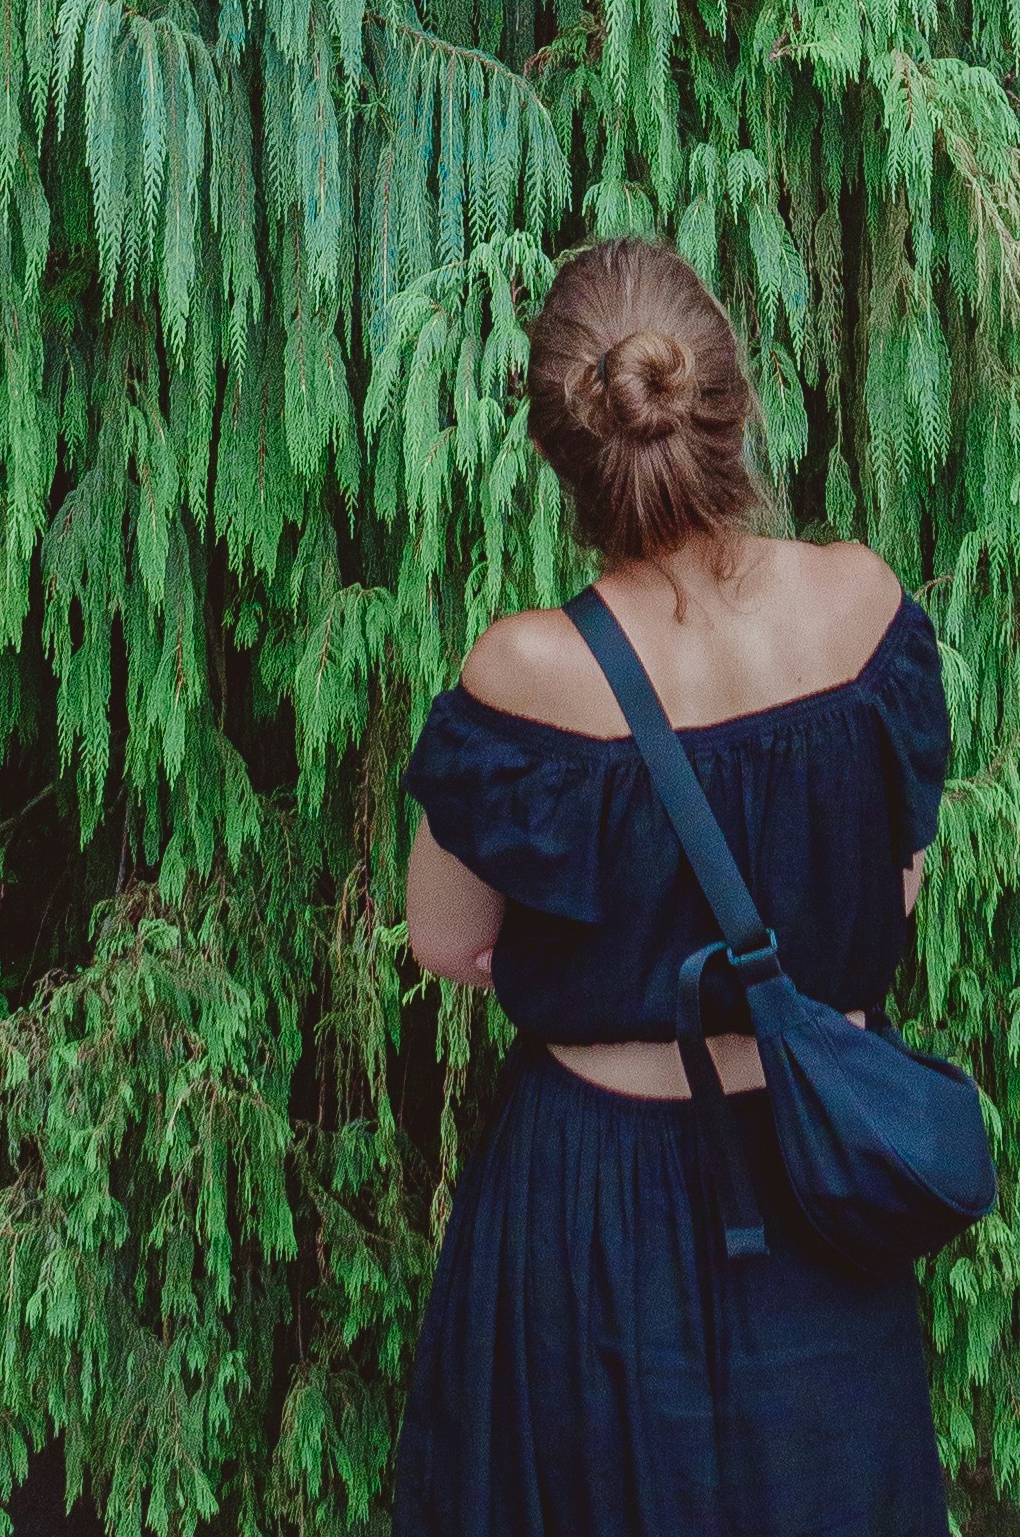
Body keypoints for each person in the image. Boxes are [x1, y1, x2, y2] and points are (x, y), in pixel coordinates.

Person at [389, 234, 956, 1537]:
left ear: (559, 452)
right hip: (823, 1171)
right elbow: (901, 879)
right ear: (733, 398)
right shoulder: (863, 606)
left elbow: (442, 941)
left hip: (599, 1201)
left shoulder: (525, 672)